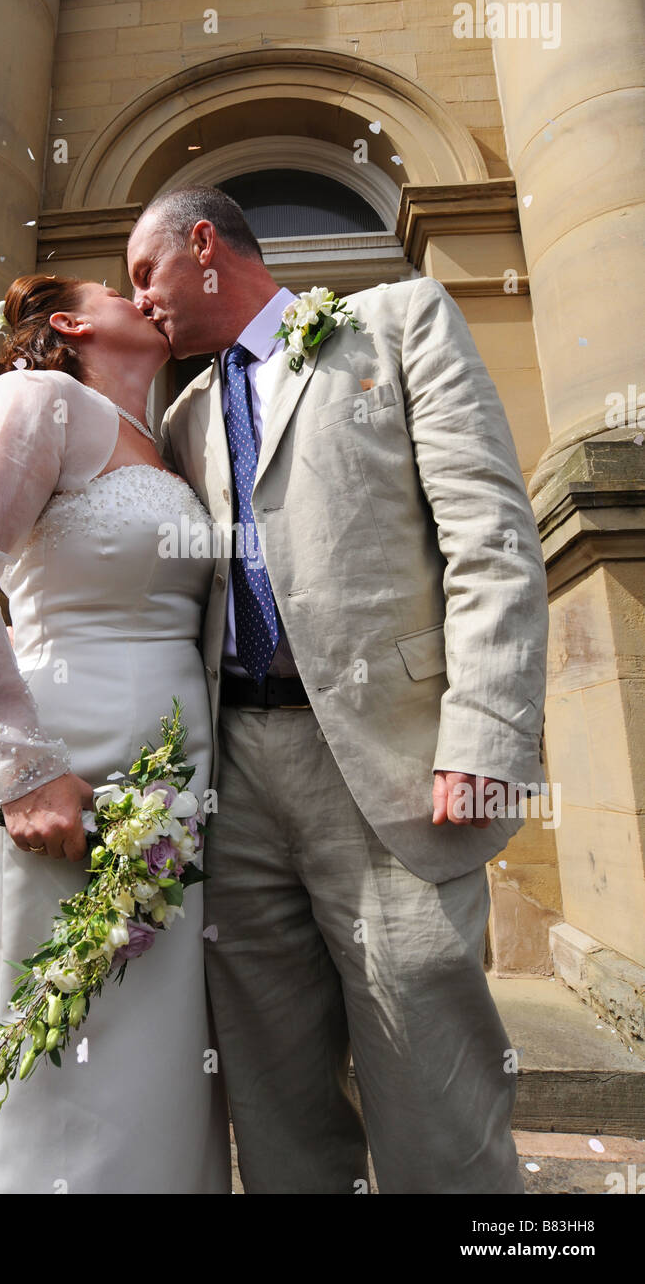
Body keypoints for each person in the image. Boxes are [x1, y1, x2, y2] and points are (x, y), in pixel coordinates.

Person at [127, 187, 549, 1194]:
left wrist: (485, 734)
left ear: (202, 244)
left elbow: (488, 537)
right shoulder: (179, 416)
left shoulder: (396, 322)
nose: (139, 300)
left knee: (430, 1076)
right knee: (272, 1086)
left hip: (385, 758)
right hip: (235, 777)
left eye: (145, 274)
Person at [0, 274, 231, 1194]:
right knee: (59, 1024)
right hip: (70, 763)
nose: (150, 295)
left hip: (177, 776)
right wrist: (24, 770)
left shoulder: (168, 445)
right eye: (123, 287)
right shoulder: (36, 400)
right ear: (72, 322)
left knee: (155, 1042)